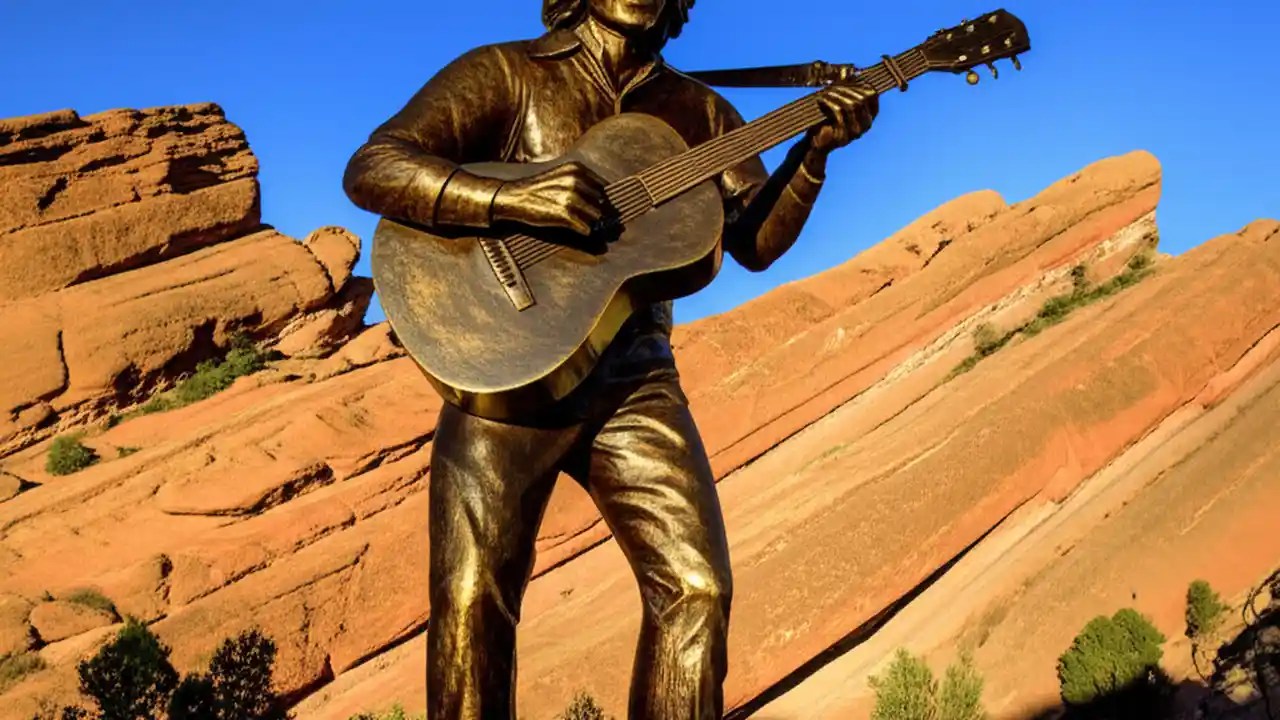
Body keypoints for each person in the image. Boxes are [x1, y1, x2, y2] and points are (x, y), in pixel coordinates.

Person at [342, 1, 878, 717]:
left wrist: (812, 156)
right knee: (471, 597)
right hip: (504, 370)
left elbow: (752, 242)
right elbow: (374, 166)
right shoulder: (508, 72)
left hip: (635, 378)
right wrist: (510, 198)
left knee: (696, 587)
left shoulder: (701, 110)